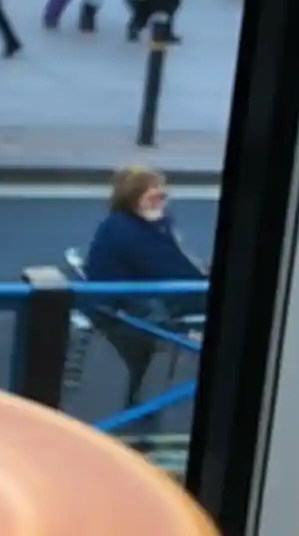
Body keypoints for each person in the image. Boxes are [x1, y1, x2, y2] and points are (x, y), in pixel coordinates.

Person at [84, 165, 207, 419]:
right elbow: (169, 268)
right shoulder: (128, 231)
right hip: (125, 311)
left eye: (163, 195)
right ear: (133, 199)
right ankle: (142, 416)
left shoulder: (139, 223)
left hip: (135, 302)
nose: (162, 201)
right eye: (154, 196)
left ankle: (141, 410)